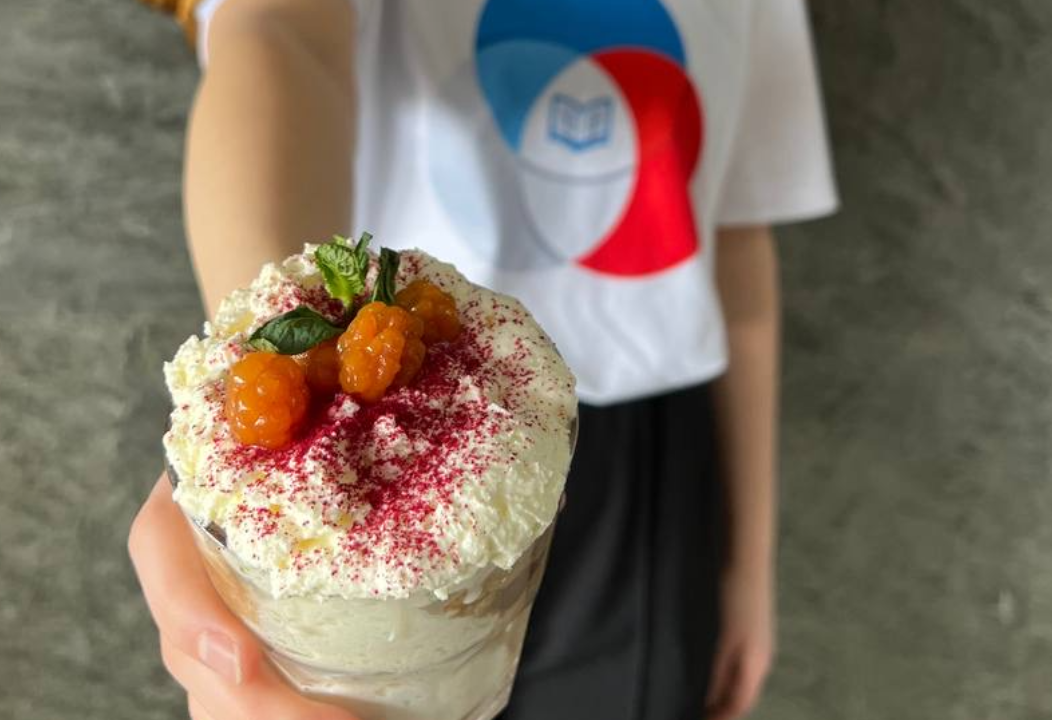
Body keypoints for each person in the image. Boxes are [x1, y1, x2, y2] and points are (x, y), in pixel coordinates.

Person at [126, 1, 837, 719]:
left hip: (645, 467)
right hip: (382, 459)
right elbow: (281, 36)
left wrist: (748, 564)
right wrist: (268, 390)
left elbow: (734, 247)